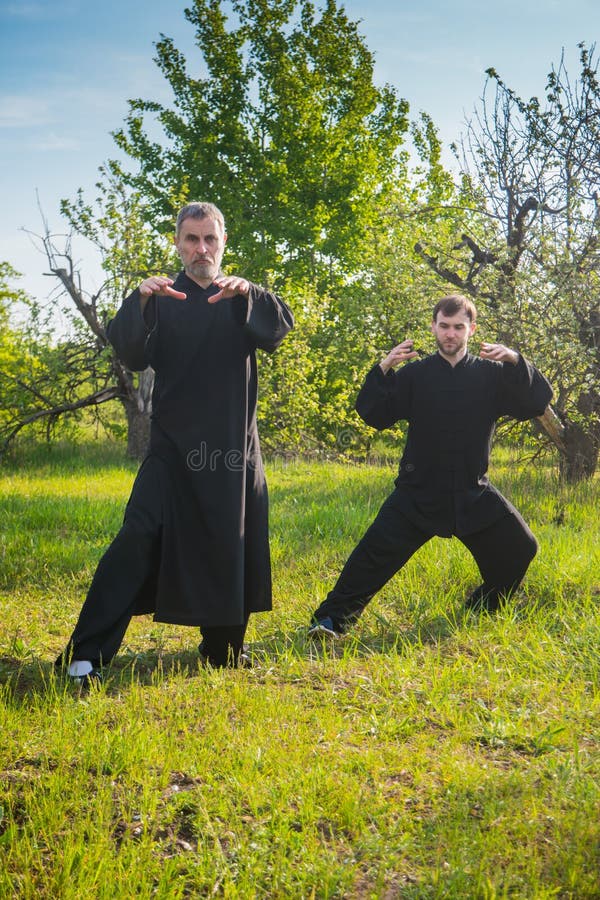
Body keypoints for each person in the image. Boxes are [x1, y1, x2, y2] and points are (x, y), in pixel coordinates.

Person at [57, 201, 294, 681]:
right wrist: (139, 301)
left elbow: (279, 330)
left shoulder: (241, 298)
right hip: (172, 452)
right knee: (136, 539)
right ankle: (86, 655)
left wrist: (250, 291)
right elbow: (129, 352)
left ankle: (223, 650)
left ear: (223, 241)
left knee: (232, 544)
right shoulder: (161, 298)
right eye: (192, 239)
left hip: (231, 452)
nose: (201, 248)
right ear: (177, 243)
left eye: (210, 238)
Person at [308, 293, 552, 639]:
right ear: (433, 327)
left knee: (520, 548)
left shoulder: (492, 376)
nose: (450, 334)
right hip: (418, 493)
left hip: (472, 491)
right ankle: (329, 622)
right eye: (444, 326)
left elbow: (536, 402)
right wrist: (383, 368)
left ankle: (482, 608)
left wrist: (515, 360)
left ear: (471, 329)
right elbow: (373, 414)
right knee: (371, 557)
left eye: (458, 327)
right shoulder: (414, 376)